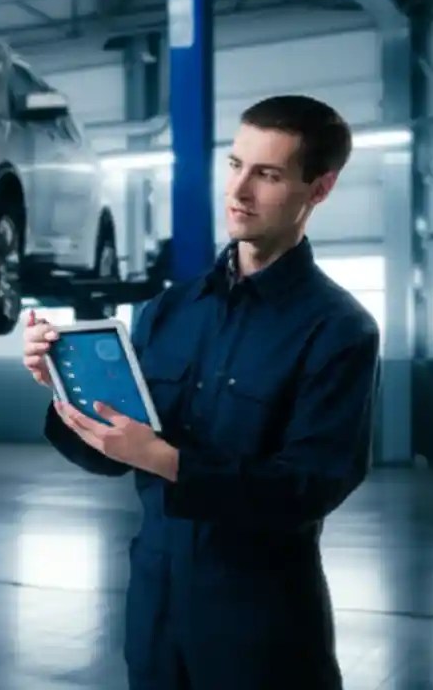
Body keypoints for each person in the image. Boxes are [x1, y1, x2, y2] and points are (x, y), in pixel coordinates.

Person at [23, 95, 380, 690]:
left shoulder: (339, 329)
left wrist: (164, 460)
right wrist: (64, 389)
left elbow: (310, 485)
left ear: (319, 189)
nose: (239, 192)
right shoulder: (169, 310)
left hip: (261, 623)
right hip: (157, 609)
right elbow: (111, 453)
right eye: (236, 165)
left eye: (267, 174)